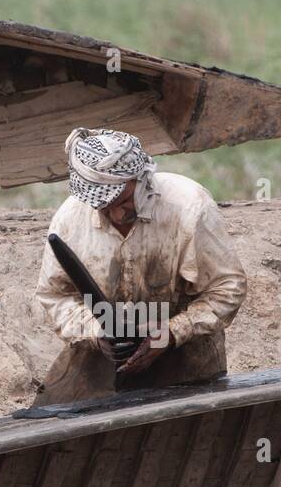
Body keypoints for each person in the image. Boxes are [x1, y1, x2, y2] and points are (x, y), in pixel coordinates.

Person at [32, 128, 247, 406]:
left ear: (142, 178)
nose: (116, 215)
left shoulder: (190, 207)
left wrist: (172, 332)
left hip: (184, 353)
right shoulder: (70, 220)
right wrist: (97, 334)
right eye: (104, 207)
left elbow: (228, 288)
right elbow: (54, 295)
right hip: (102, 356)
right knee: (57, 427)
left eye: (122, 202)